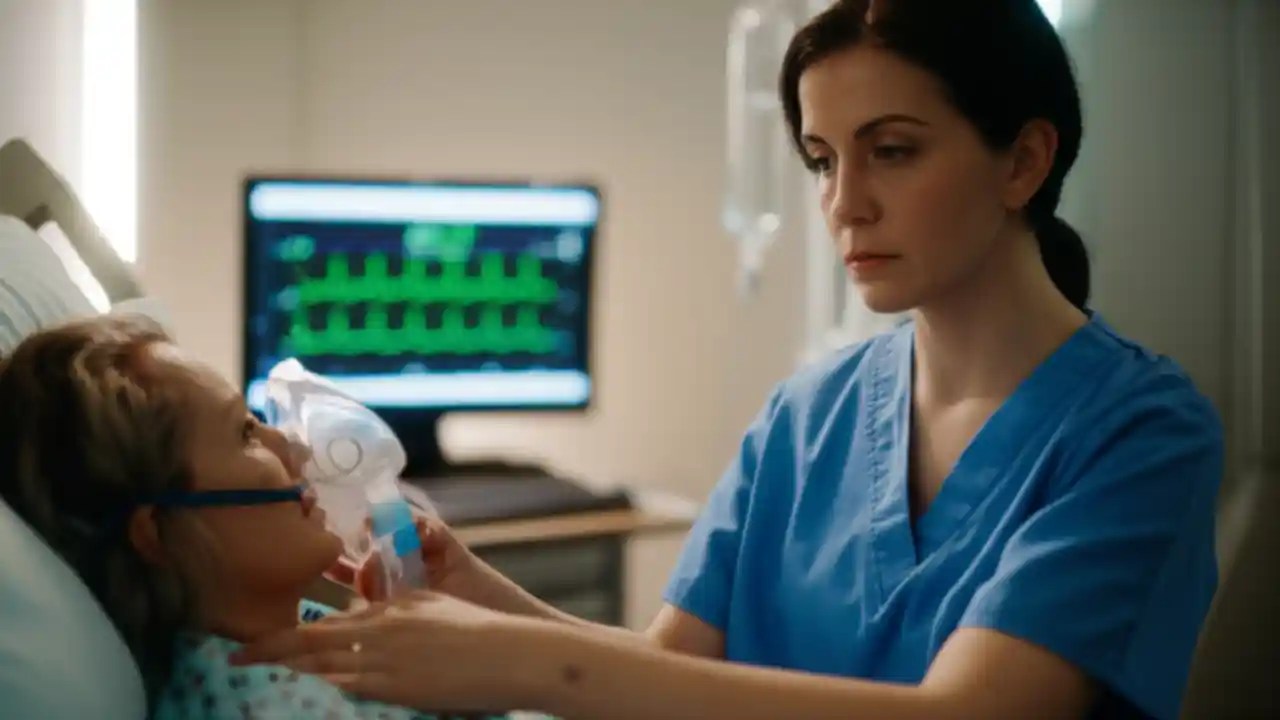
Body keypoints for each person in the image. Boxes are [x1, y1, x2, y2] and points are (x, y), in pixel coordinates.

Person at [198, 0, 1222, 718]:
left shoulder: (1135, 434)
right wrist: (470, 585)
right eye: (822, 159)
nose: (842, 202)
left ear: (1023, 159)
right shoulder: (809, 416)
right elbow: (668, 676)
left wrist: (516, 665)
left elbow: (964, 715)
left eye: (892, 150)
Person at [0, 314, 508, 720]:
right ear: (157, 534)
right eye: (244, 433)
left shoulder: (312, 639)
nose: (290, 443)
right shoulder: (253, 703)